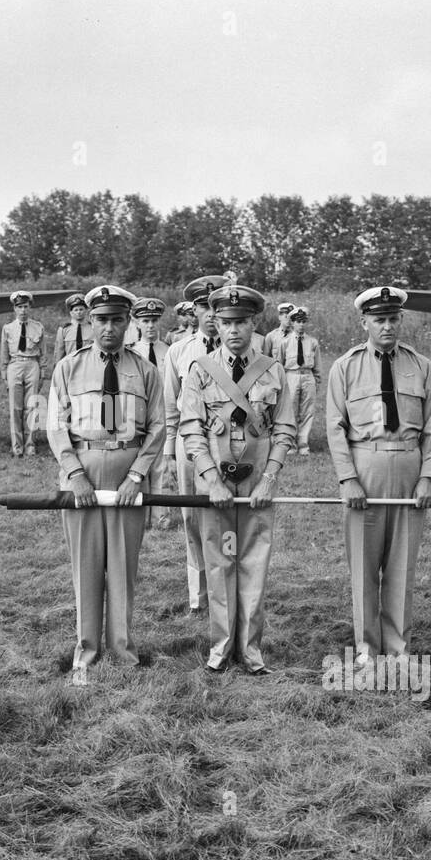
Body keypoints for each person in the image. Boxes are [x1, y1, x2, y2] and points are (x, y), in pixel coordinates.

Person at [46, 285, 164, 681]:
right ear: (90, 321)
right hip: (83, 472)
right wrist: (75, 475)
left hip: (128, 473)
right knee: (87, 566)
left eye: (116, 319)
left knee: (123, 567)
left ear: (128, 322)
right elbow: (55, 425)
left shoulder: (145, 370)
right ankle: (86, 651)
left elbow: (159, 428)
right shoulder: (69, 367)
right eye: (101, 320)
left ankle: (123, 650)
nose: (109, 328)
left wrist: (137, 476)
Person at [180, 284, 296, 675]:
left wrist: (269, 480)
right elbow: (191, 430)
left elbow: (284, 431)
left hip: (257, 484)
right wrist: (210, 479)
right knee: (219, 562)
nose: (234, 330)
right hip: (214, 485)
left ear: (254, 323)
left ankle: (250, 650)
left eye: (242, 321)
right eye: (226, 322)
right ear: (216, 323)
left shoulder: (274, 371)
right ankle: (221, 646)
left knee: (253, 562)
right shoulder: (200, 370)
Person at [326, 285, 431, 669]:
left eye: (393, 319)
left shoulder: (421, 366)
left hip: (409, 467)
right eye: (379, 320)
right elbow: (335, 427)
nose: (388, 326)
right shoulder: (345, 366)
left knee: (401, 564)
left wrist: (428, 478)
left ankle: (398, 646)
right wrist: (348, 479)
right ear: (365, 323)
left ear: (401, 320)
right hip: (365, 466)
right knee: (364, 563)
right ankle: (365, 647)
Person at [164, 276, 224, 612]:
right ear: (194, 309)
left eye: (216, 306)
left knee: (224, 518)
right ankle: (197, 598)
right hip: (189, 444)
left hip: (227, 447)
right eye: (204, 306)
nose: (210, 314)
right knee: (190, 519)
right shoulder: (178, 351)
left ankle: (224, 591)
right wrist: (170, 452)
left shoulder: (243, 351)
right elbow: (170, 406)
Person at [128, 297, 172, 528]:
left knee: (161, 468)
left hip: (162, 416)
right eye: (145, 321)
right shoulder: (131, 353)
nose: (151, 326)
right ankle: (141, 516)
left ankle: (160, 516)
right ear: (136, 322)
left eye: (154, 320)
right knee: (139, 466)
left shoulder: (169, 350)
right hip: (138, 417)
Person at [0, 290, 46, 457]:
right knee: (15, 407)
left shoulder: (38, 327)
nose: (23, 310)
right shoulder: (7, 329)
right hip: (15, 365)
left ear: (30, 307)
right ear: (14, 308)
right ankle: (17, 445)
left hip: (32, 364)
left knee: (32, 406)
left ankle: (30, 444)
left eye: (26, 306)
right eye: (19, 307)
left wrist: (42, 374)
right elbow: (4, 354)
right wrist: (4, 374)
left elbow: (43, 353)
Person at [279, 306, 321, 456]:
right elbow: (279, 364)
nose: (301, 324)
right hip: (291, 376)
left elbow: (317, 365)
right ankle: (290, 444)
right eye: (298, 321)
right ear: (292, 323)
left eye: (303, 321)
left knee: (307, 410)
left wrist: (316, 381)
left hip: (307, 376)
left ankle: (303, 443)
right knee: (290, 410)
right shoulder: (285, 342)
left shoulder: (313, 342)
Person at [53, 294, 92, 363]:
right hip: (70, 365)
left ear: (86, 310)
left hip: (89, 364)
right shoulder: (64, 330)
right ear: (71, 313)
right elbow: (59, 351)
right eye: (76, 310)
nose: (79, 312)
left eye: (81, 309)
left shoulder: (93, 328)